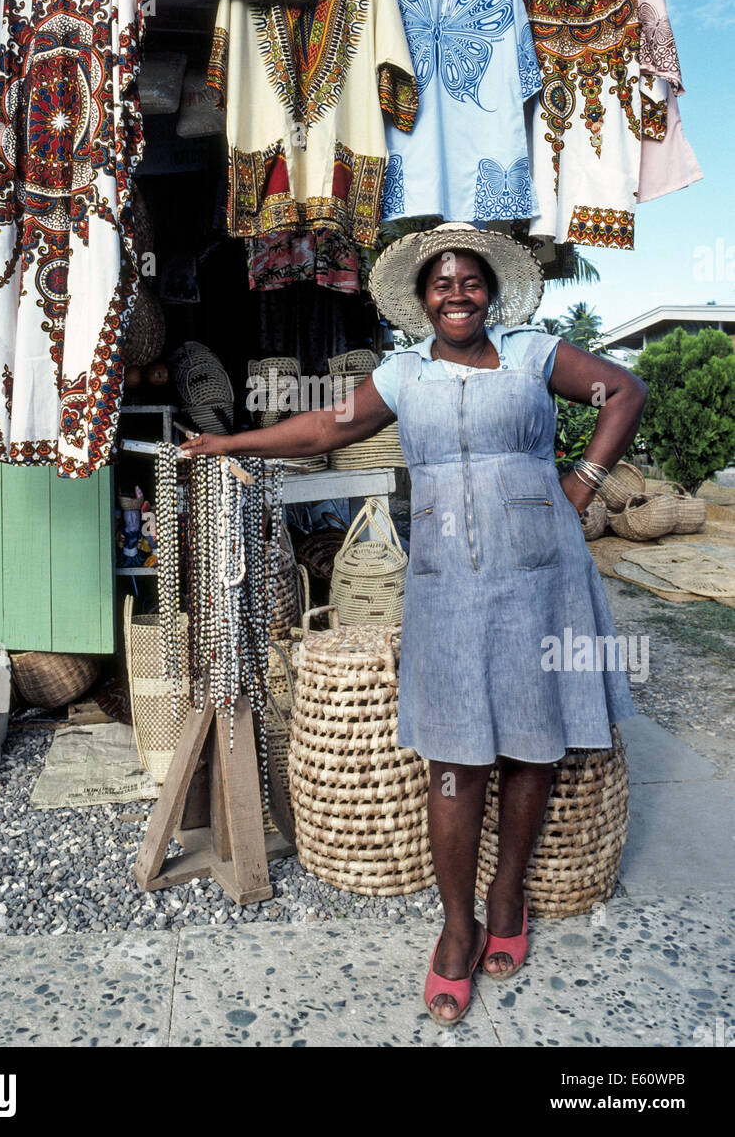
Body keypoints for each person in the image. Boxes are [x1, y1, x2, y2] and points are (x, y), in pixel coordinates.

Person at [180, 223, 646, 1027]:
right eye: (442, 283)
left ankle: (509, 898)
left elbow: (625, 392)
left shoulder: (535, 355)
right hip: (448, 583)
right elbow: (325, 429)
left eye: (470, 281)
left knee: (537, 737)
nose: (457, 293)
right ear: (422, 301)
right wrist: (233, 440)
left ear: (491, 292)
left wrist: (585, 480)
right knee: (455, 752)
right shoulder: (403, 373)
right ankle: (456, 925)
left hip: (542, 573)